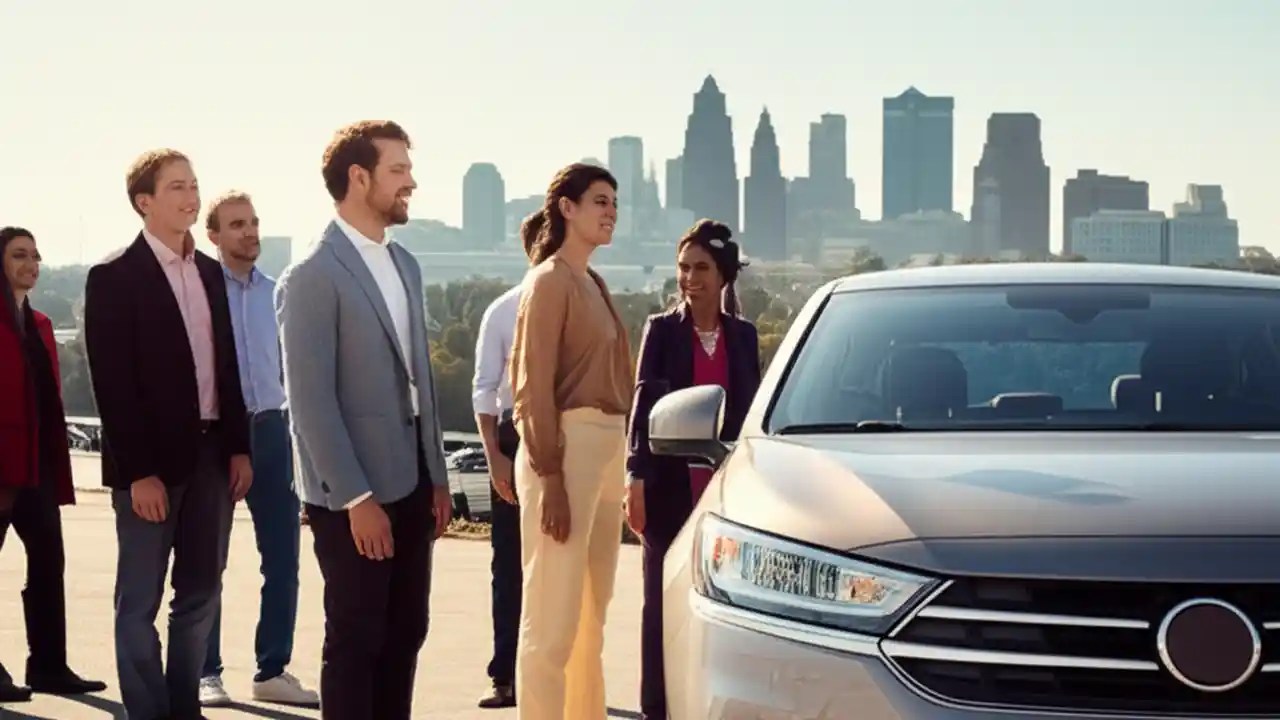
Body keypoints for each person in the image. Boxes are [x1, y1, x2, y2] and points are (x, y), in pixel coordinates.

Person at [275, 119, 453, 720]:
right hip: (353, 499)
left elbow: (419, 381)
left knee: (406, 634)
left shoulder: (406, 265)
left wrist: (438, 478)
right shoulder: (312, 276)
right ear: (359, 177)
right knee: (356, 641)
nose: (411, 183)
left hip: (412, 487)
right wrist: (355, 498)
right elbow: (310, 402)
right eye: (398, 170)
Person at [83, 149, 253, 720]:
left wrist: (238, 448)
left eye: (194, 184)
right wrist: (137, 473)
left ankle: (185, 709)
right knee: (139, 601)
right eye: (176, 186)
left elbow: (226, 366)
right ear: (144, 202)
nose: (190, 195)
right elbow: (113, 385)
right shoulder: (113, 277)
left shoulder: (209, 272)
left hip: (212, 457)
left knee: (202, 593)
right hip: (150, 466)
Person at [508, 163, 632, 720]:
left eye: (613, 203)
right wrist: (551, 475)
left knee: (591, 615)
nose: (610, 212)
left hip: (605, 451)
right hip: (564, 449)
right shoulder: (550, 280)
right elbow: (531, 384)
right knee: (552, 616)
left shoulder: (593, 282)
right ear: (567, 208)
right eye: (600, 201)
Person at [625, 219, 761, 720]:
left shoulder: (743, 337)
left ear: (723, 275)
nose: (689, 278)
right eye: (683, 268)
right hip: (666, 490)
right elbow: (642, 408)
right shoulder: (661, 332)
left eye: (701, 268)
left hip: (726, 494)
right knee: (660, 605)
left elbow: (751, 416)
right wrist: (634, 476)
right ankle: (655, 709)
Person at [199, 191, 318, 708]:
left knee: (284, 559)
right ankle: (206, 673)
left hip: (274, 432)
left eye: (253, 223)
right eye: (236, 224)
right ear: (214, 236)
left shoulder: (278, 294)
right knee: (209, 561)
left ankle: (273, 669)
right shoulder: (202, 293)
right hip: (218, 435)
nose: (249, 232)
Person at [0, 227, 107, 703]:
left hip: (38, 465)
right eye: (19, 255)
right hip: (0, 465)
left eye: (35, 256)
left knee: (48, 563)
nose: (31, 264)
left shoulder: (41, 324)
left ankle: (48, 665)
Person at [471, 282, 523, 709]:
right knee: (509, 564)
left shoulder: (585, 300)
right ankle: (504, 676)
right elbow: (484, 388)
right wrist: (493, 456)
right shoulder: (504, 310)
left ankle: (562, 674)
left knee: (567, 563)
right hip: (514, 439)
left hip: (571, 439)